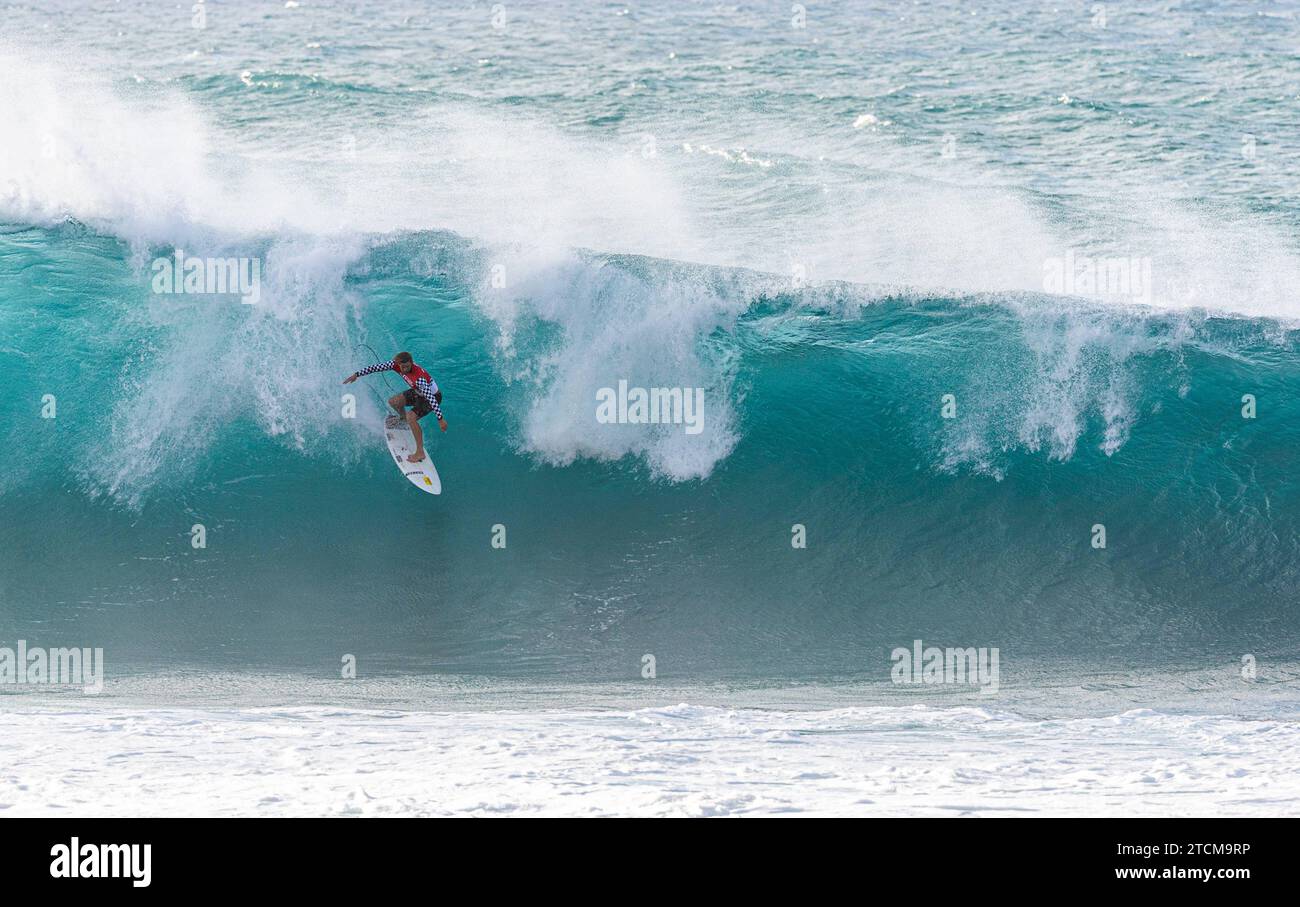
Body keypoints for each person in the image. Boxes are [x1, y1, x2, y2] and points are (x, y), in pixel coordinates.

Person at [343, 351, 447, 463]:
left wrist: (440, 419)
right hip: (418, 392)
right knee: (393, 401)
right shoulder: (395, 365)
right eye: (402, 367)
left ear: (411, 363)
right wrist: (357, 374)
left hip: (433, 397)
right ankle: (403, 420)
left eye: (407, 366)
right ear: (398, 364)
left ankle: (420, 452)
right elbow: (376, 367)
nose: (404, 369)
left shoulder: (419, 379)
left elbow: (431, 398)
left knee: (411, 417)